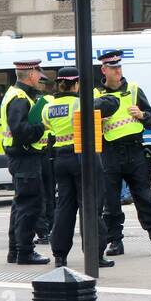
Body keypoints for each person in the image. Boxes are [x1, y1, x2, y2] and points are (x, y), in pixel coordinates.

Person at [93, 50, 151, 258]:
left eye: (119, 67)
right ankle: (115, 241)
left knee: (145, 197)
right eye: (113, 68)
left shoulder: (135, 90)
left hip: (135, 151)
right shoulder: (95, 94)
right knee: (110, 201)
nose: (118, 71)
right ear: (104, 70)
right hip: (109, 152)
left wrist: (143, 115)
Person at [40, 67, 113, 269]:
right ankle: (95, 254)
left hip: (60, 158)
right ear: (77, 83)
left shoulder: (49, 107)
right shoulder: (79, 103)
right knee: (90, 205)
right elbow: (108, 105)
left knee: (64, 207)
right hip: (83, 156)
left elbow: (48, 126)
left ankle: (60, 255)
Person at [0, 60, 50, 265]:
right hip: (24, 156)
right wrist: (41, 126)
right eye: (39, 73)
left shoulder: (16, 95)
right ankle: (25, 252)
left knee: (20, 204)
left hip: (21, 157)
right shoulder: (20, 99)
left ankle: (16, 251)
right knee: (29, 205)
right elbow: (21, 132)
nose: (41, 77)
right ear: (31, 75)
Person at [34, 74, 56, 245]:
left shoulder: (36, 102)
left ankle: (43, 231)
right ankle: (51, 227)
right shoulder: (52, 101)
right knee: (50, 193)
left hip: (39, 151)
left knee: (41, 194)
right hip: (52, 149)